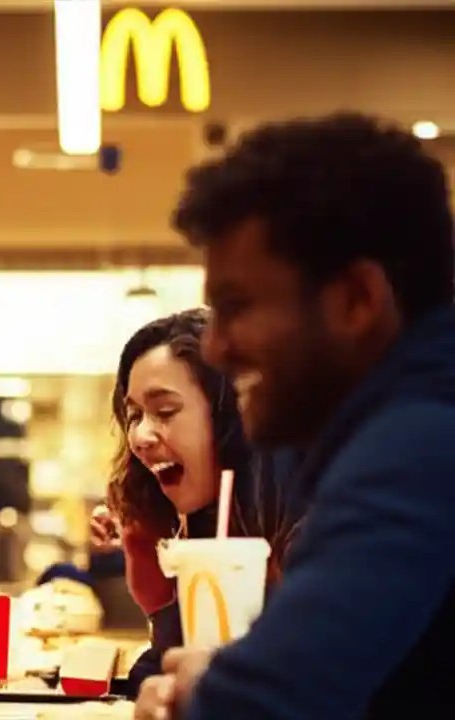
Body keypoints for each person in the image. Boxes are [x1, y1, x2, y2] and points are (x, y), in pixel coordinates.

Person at [135, 113, 455, 720]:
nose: (216, 347)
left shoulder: (417, 445)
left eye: (238, 307)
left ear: (357, 300)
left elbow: (265, 704)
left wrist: (206, 693)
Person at [92, 309, 283, 696]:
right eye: (134, 415)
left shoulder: (306, 520)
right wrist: (142, 539)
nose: (140, 435)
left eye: (165, 411)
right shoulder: (201, 524)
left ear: (230, 414)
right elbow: (168, 658)